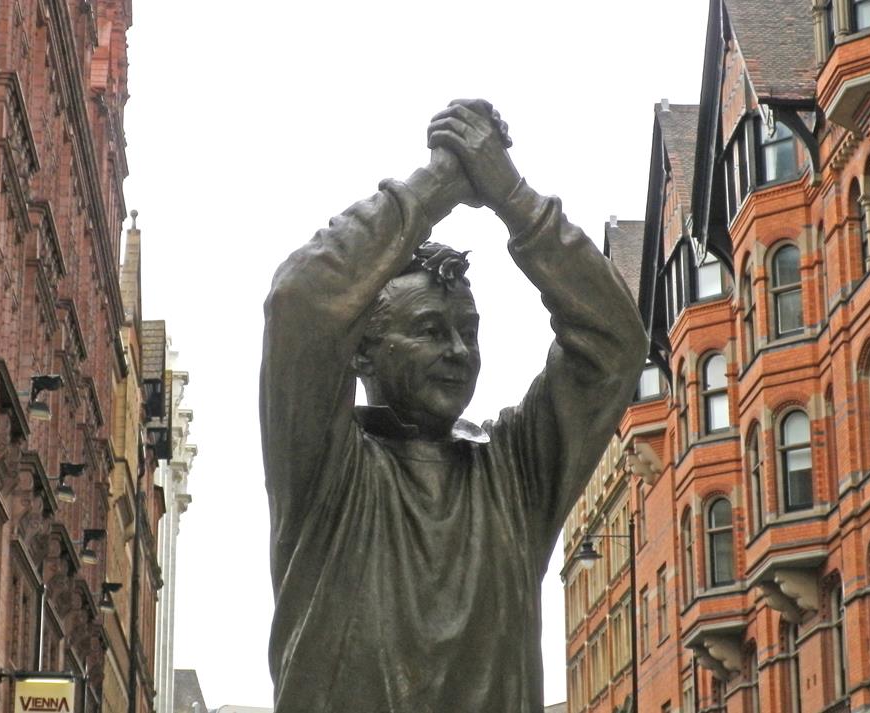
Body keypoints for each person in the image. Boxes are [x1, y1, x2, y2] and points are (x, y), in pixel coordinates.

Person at [260, 99, 647, 712]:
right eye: (431, 330)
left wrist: (511, 196)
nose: (459, 350)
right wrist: (439, 182)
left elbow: (614, 345)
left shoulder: (516, 476)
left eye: (468, 330)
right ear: (362, 351)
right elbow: (301, 301)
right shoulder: (322, 468)